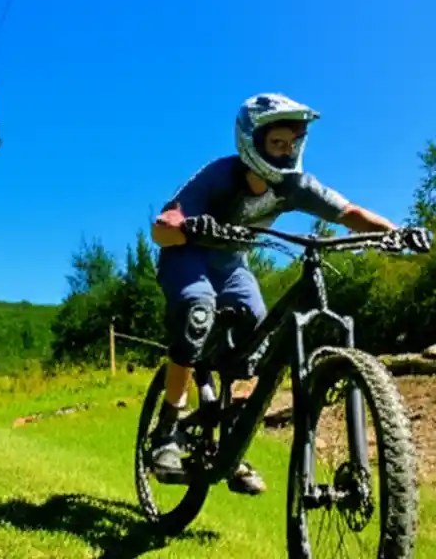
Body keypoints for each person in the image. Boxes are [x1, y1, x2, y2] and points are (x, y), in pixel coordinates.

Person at [148, 92, 401, 495]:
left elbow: (348, 212)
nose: (286, 152)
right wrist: (182, 226)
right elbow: (164, 227)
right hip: (188, 255)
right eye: (276, 143)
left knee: (258, 333)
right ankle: (168, 429)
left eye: (292, 143)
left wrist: (396, 233)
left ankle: (230, 445)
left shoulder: (294, 186)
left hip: (231, 265)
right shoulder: (221, 176)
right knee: (198, 311)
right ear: (252, 141)